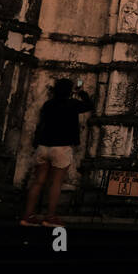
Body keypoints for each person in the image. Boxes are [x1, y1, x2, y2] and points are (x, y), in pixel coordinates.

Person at [20, 78, 94, 227]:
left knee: (38, 181)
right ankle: (50, 217)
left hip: (43, 146)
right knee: (56, 184)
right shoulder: (73, 104)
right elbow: (90, 105)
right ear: (69, 91)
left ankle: (28, 216)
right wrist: (81, 92)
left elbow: (41, 123)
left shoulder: (48, 105)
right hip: (61, 148)